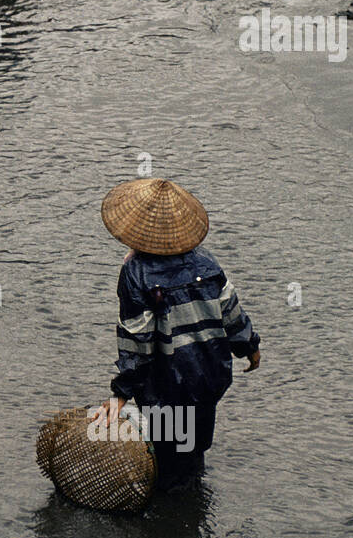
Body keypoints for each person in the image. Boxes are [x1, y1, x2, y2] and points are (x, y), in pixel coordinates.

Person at [89, 179, 261, 490]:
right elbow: (230, 309)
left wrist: (121, 392)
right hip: (209, 374)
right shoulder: (207, 262)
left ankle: (174, 514)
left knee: (167, 456)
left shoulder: (136, 274)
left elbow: (136, 338)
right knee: (194, 448)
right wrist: (248, 345)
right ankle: (193, 498)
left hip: (167, 382)